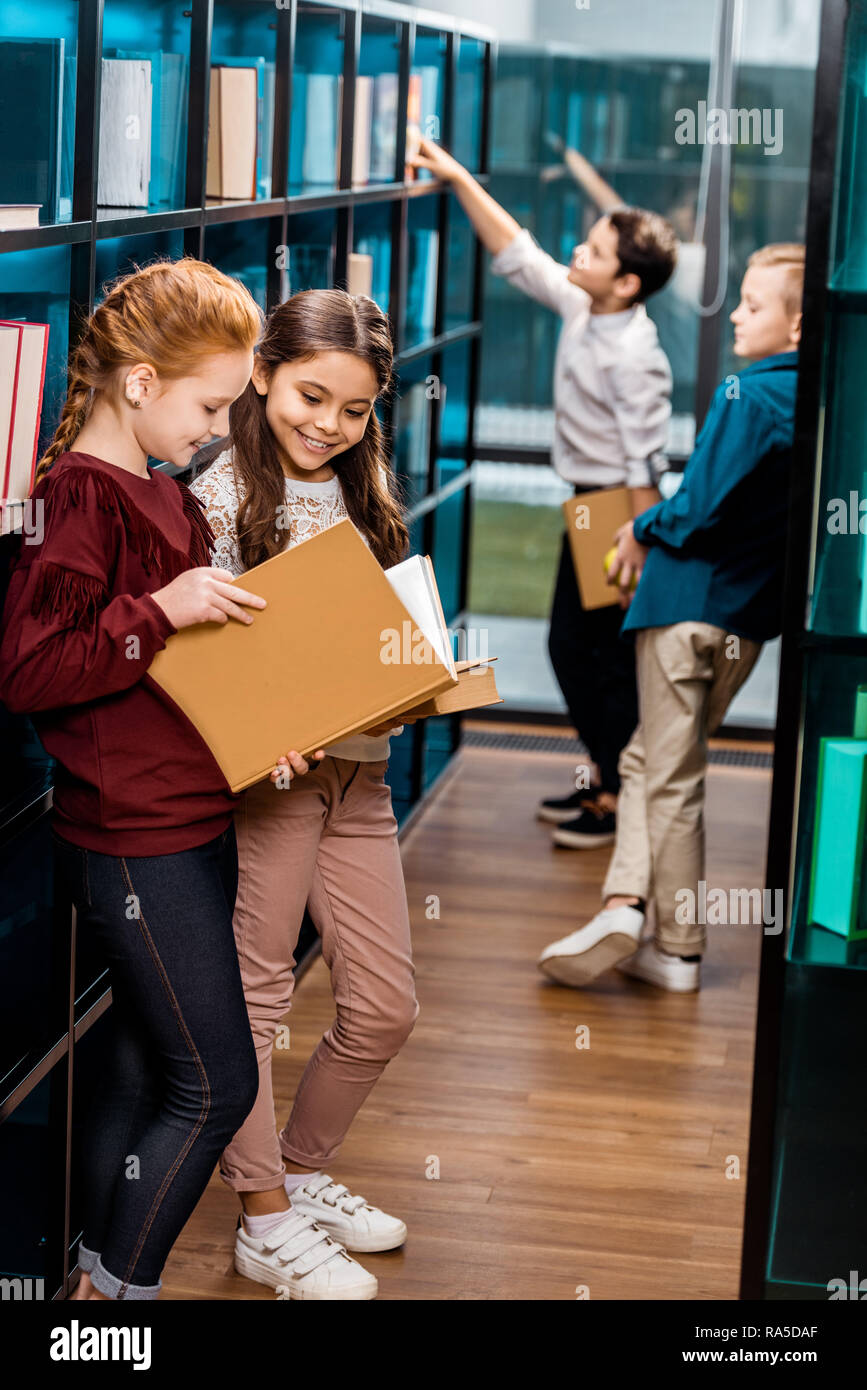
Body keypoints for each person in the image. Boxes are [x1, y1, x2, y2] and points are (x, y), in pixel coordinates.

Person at [0, 259, 331, 1300]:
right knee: (220, 1081)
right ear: (139, 383)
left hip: (189, 818)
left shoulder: (162, 490)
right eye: (212, 402)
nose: (221, 426)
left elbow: (178, 680)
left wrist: (262, 730)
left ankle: (90, 1291)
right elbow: (30, 669)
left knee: (147, 1071)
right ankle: (111, 1308)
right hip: (134, 842)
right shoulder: (78, 499)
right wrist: (164, 610)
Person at [190, 289, 419, 1301]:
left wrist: (413, 681)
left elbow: (371, 630)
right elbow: (208, 661)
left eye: (356, 409)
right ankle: (263, 1217)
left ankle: (300, 1166)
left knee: (384, 1005)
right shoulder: (217, 487)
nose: (329, 425)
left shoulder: (364, 485)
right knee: (257, 997)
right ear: (264, 373)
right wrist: (264, 727)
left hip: (359, 774)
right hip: (272, 785)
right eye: (311, 396)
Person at [538, 243, 804, 992]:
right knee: (653, 766)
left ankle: (659, 933)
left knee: (665, 773)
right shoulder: (816, 404)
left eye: (753, 305)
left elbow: (695, 508)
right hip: (743, 626)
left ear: (795, 325)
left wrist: (637, 530)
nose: (737, 318)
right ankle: (646, 926)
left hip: (684, 607)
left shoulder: (745, 395)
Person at [409, 135, 676, 848]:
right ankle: (605, 779)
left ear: (627, 284)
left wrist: (637, 546)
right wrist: (460, 174)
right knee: (586, 651)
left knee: (583, 651)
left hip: (614, 508)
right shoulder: (587, 308)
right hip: (590, 503)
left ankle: (618, 796)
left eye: (593, 251)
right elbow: (518, 251)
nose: (576, 253)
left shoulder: (634, 357)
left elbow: (645, 466)